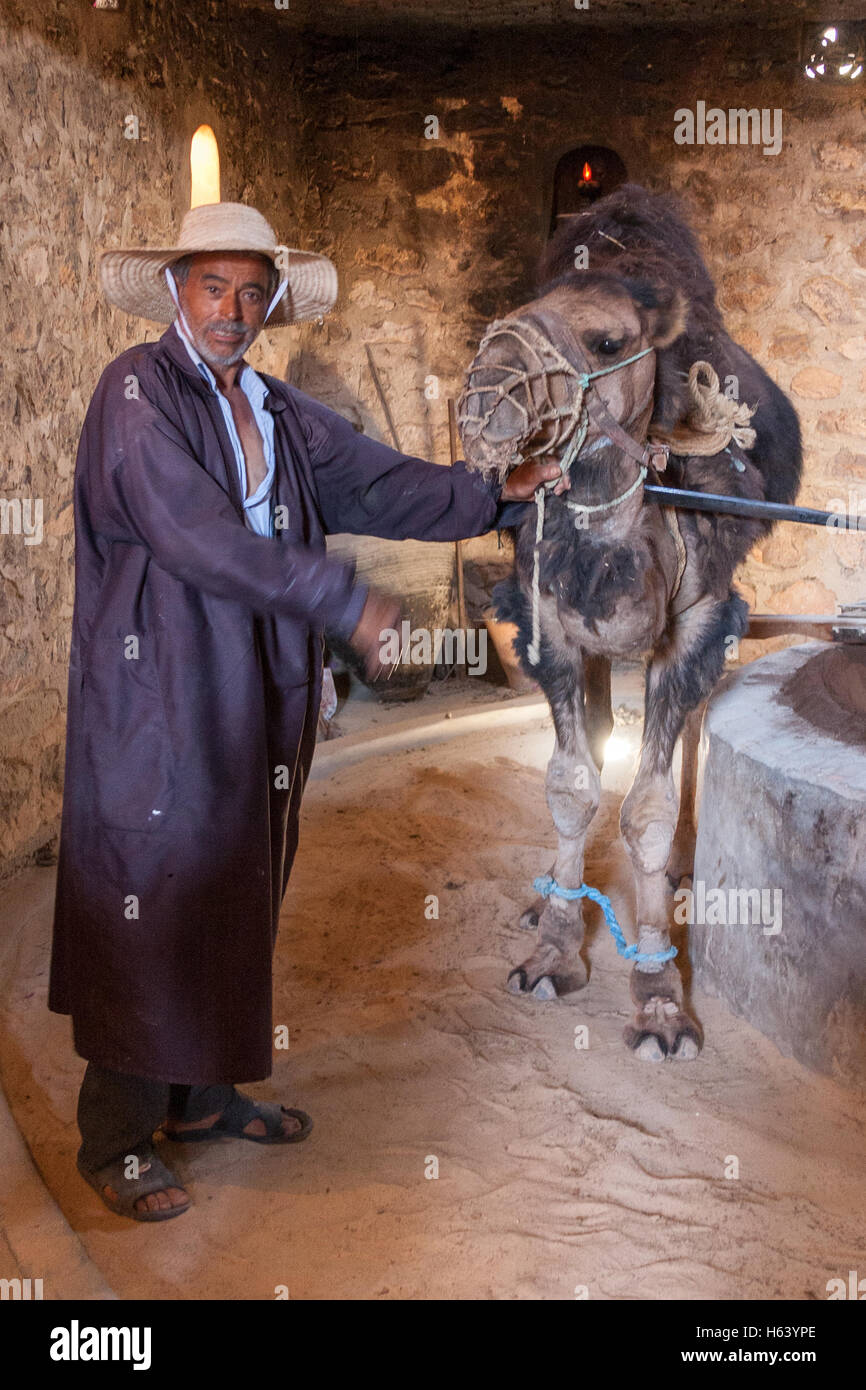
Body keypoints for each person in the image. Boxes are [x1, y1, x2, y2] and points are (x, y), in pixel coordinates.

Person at [49, 201, 565, 1221]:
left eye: (251, 292)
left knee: (240, 875)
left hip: (260, 678)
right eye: (213, 287)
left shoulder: (276, 410)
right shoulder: (134, 397)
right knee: (157, 886)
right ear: (174, 290)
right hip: (163, 688)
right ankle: (112, 1136)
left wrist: (495, 492)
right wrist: (345, 603)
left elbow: (378, 483)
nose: (232, 310)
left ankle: (201, 1096)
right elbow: (192, 535)